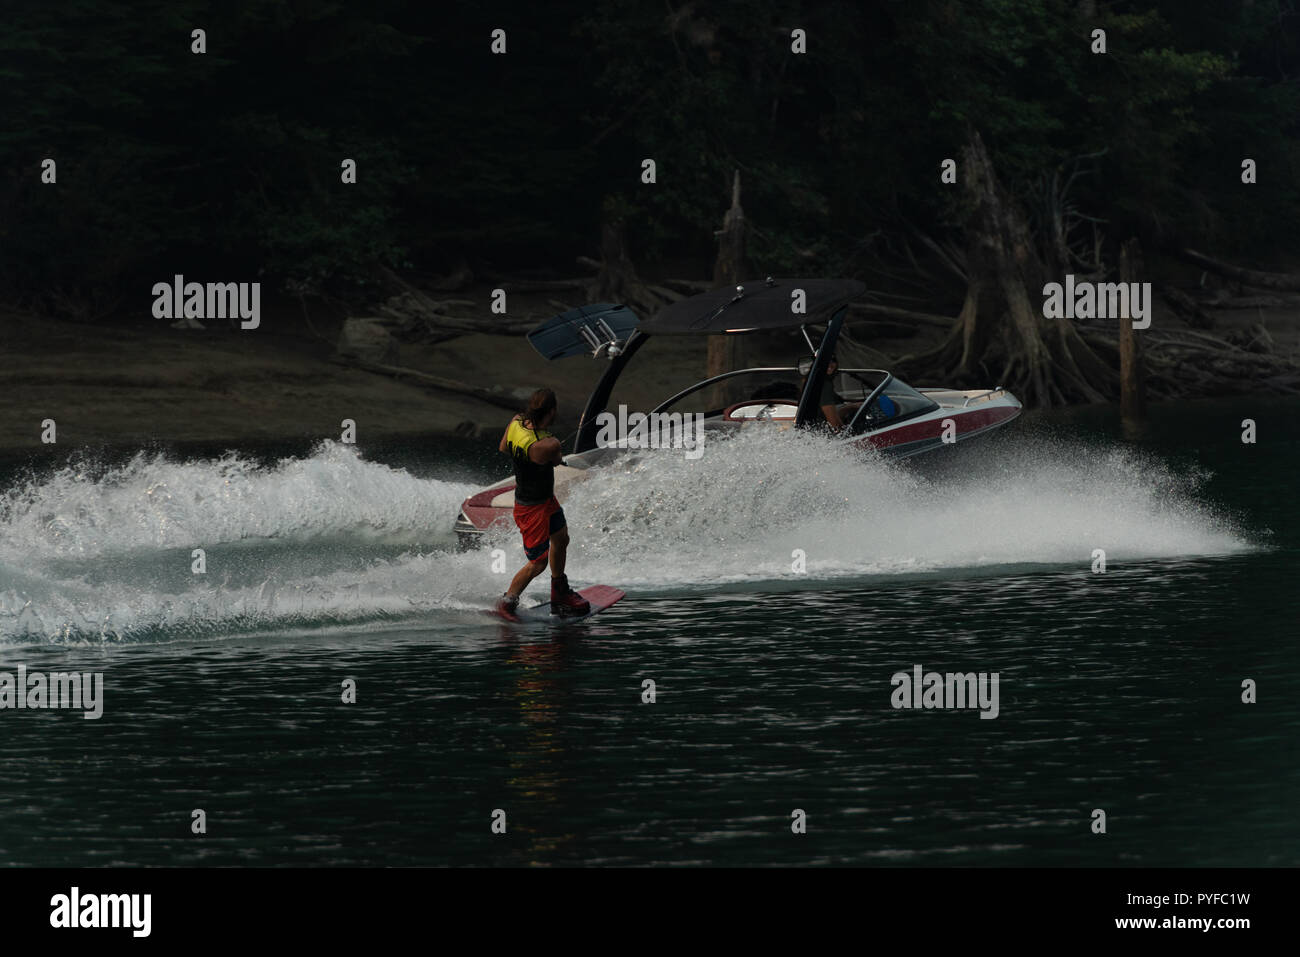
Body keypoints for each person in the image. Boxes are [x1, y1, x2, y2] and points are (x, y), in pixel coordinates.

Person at [495, 389, 590, 618]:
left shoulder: (516, 422)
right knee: (537, 563)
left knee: (561, 538)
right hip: (532, 508)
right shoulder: (548, 443)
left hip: (544, 500)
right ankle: (507, 602)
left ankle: (559, 592)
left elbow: (503, 447)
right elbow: (556, 461)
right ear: (552, 411)